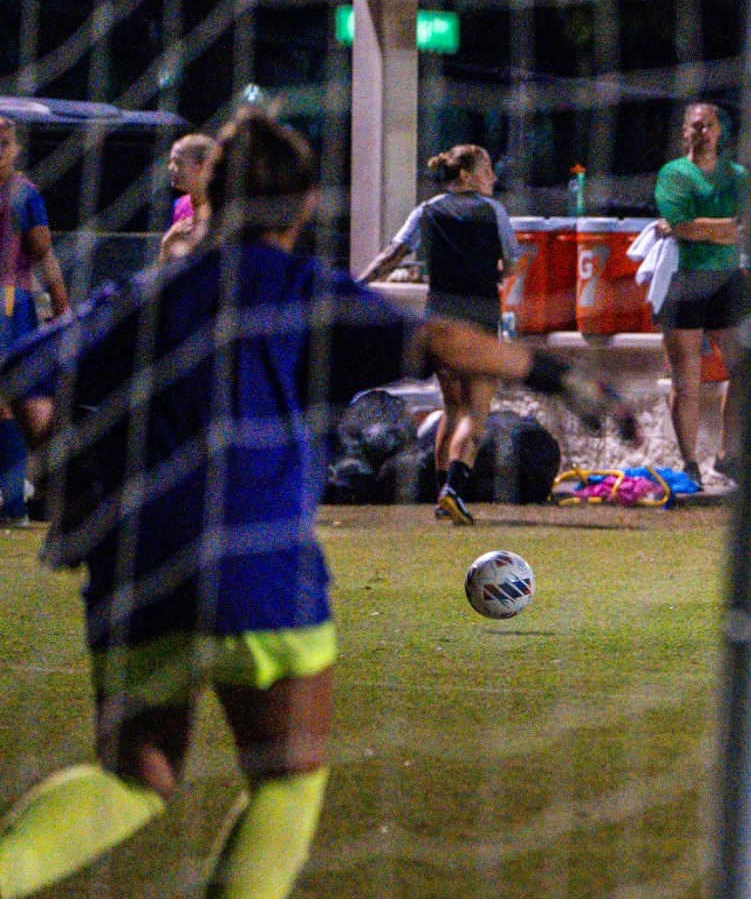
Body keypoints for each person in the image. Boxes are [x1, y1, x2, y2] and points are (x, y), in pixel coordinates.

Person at [0, 108, 627, 899]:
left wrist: (69, 478)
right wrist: (560, 378)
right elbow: (442, 341)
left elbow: (24, 377)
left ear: (214, 199)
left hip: (138, 566)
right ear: (303, 208)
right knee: (287, 779)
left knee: (135, 775)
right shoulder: (302, 290)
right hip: (258, 563)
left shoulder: (144, 293)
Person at [356, 145, 523, 524]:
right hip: (479, 318)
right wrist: (495, 269)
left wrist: (357, 286)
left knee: (450, 407)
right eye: (487, 170)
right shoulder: (492, 211)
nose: (493, 178)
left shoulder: (426, 210)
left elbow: (391, 256)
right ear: (466, 176)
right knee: (476, 411)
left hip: (440, 320)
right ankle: (454, 491)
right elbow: (513, 262)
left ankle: (441, 493)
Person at [653, 102, 748, 489]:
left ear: (720, 132)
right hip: (686, 277)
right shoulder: (674, 173)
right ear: (685, 132)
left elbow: (746, 225)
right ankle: (689, 461)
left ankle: (728, 456)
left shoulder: (736, 174)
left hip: (726, 276)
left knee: (744, 369)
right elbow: (683, 225)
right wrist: (720, 228)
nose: (703, 132)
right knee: (687, 378)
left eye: (709, 125)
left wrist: (700, 228)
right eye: (696, 126)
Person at [0, 116, 70, 525]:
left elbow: (44, 253)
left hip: (8, 300)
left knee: (9, 401)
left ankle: (15, 505)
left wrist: (62, 306)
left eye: (5, 143)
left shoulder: (23, 194)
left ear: (17, 150)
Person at [157, 132, 217, 265]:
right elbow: (164, 270)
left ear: (200, 167)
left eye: (178, 162)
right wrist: (167, 243)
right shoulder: (180, 206)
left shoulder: (221, 206)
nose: (170, 168)